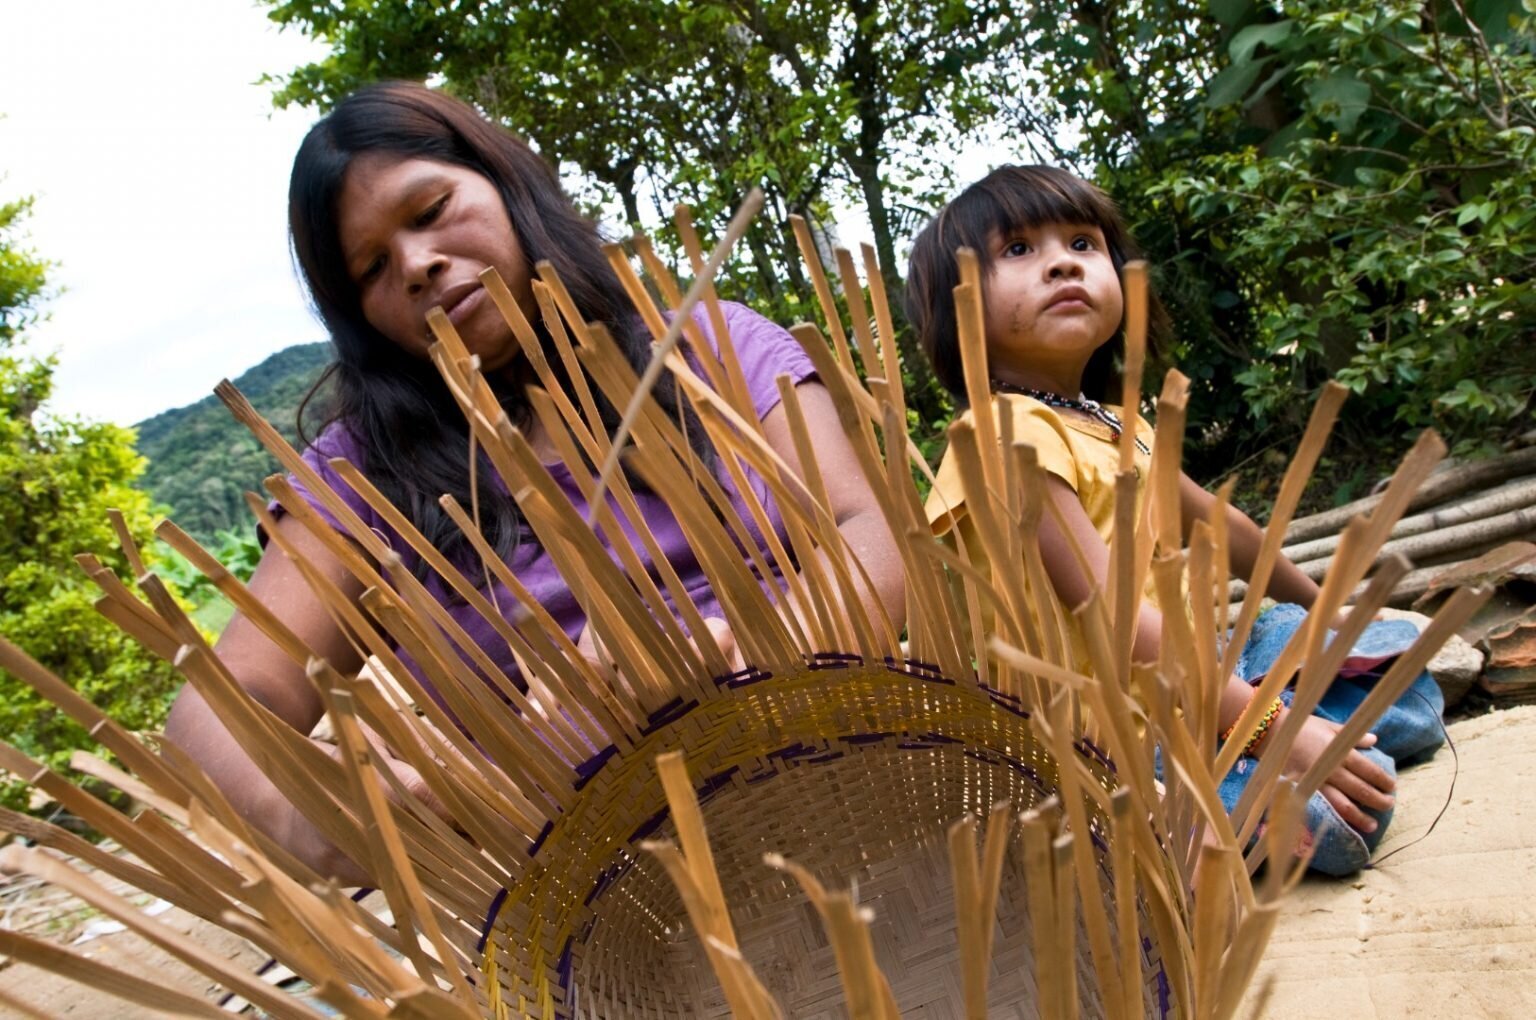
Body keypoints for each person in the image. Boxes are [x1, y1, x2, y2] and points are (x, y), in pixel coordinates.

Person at [163, 82, 905, 884]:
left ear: (505, 180)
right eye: (372, 269)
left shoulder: (711, 347)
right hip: (606, 893)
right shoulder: (361, 476)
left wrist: (755, 652)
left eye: (430, 209)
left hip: (854, 786)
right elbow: (215, 709)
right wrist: (305, 810)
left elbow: (866, 530)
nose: (416, 265)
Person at [905, 165, 1444, 875]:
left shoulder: (1118, 425)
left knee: (1396, 659)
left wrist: (1326, 616)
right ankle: (1192, 820)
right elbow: (1115, 617)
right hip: (1118, 738)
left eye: (1083, 243)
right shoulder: (1001, 435)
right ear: (956, 309)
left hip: (1203, 675)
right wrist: (1273, 727)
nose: (1063, 263)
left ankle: (1289, 753)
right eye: (1018, 250)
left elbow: (1226, 529)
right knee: (1343, 812)